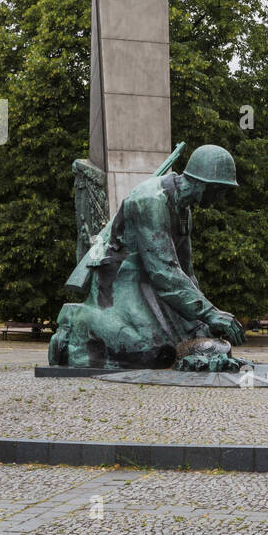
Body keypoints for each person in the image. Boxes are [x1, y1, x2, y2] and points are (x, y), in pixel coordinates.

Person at [49, 144, 245, 369]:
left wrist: (202, 320)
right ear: (202, 183)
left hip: (152, 279)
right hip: (121, 278)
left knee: (200, 340)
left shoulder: (184, 209)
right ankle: (76, 324)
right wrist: (211, 313)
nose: (222, 196)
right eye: (220, 189)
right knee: (151, 350)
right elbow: (164, 271)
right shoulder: (152, 200)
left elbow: (185, 271)